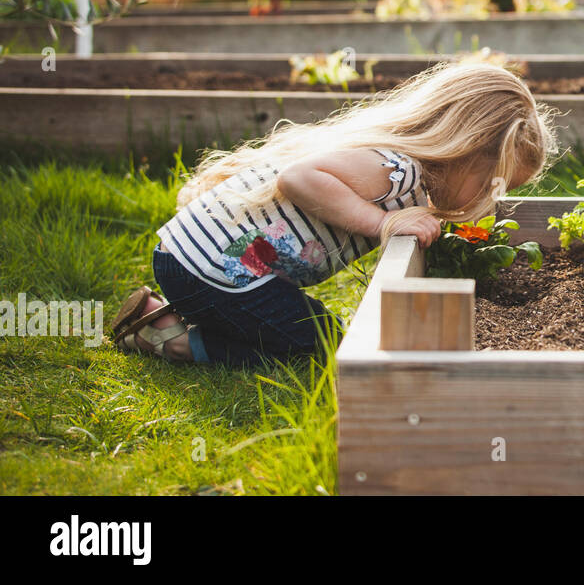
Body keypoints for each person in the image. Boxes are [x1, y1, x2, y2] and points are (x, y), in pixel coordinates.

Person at [111, 60, 555, 365]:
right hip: (212, 268)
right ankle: (169, 339)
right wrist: (383, 223)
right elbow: (297, 178)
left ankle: (182, 309)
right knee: (320, 344)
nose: (488, 201)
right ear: (463, 149)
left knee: (305, 328)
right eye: (490, 184)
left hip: (206, 263)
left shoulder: (410, 176)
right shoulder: (397, 172)